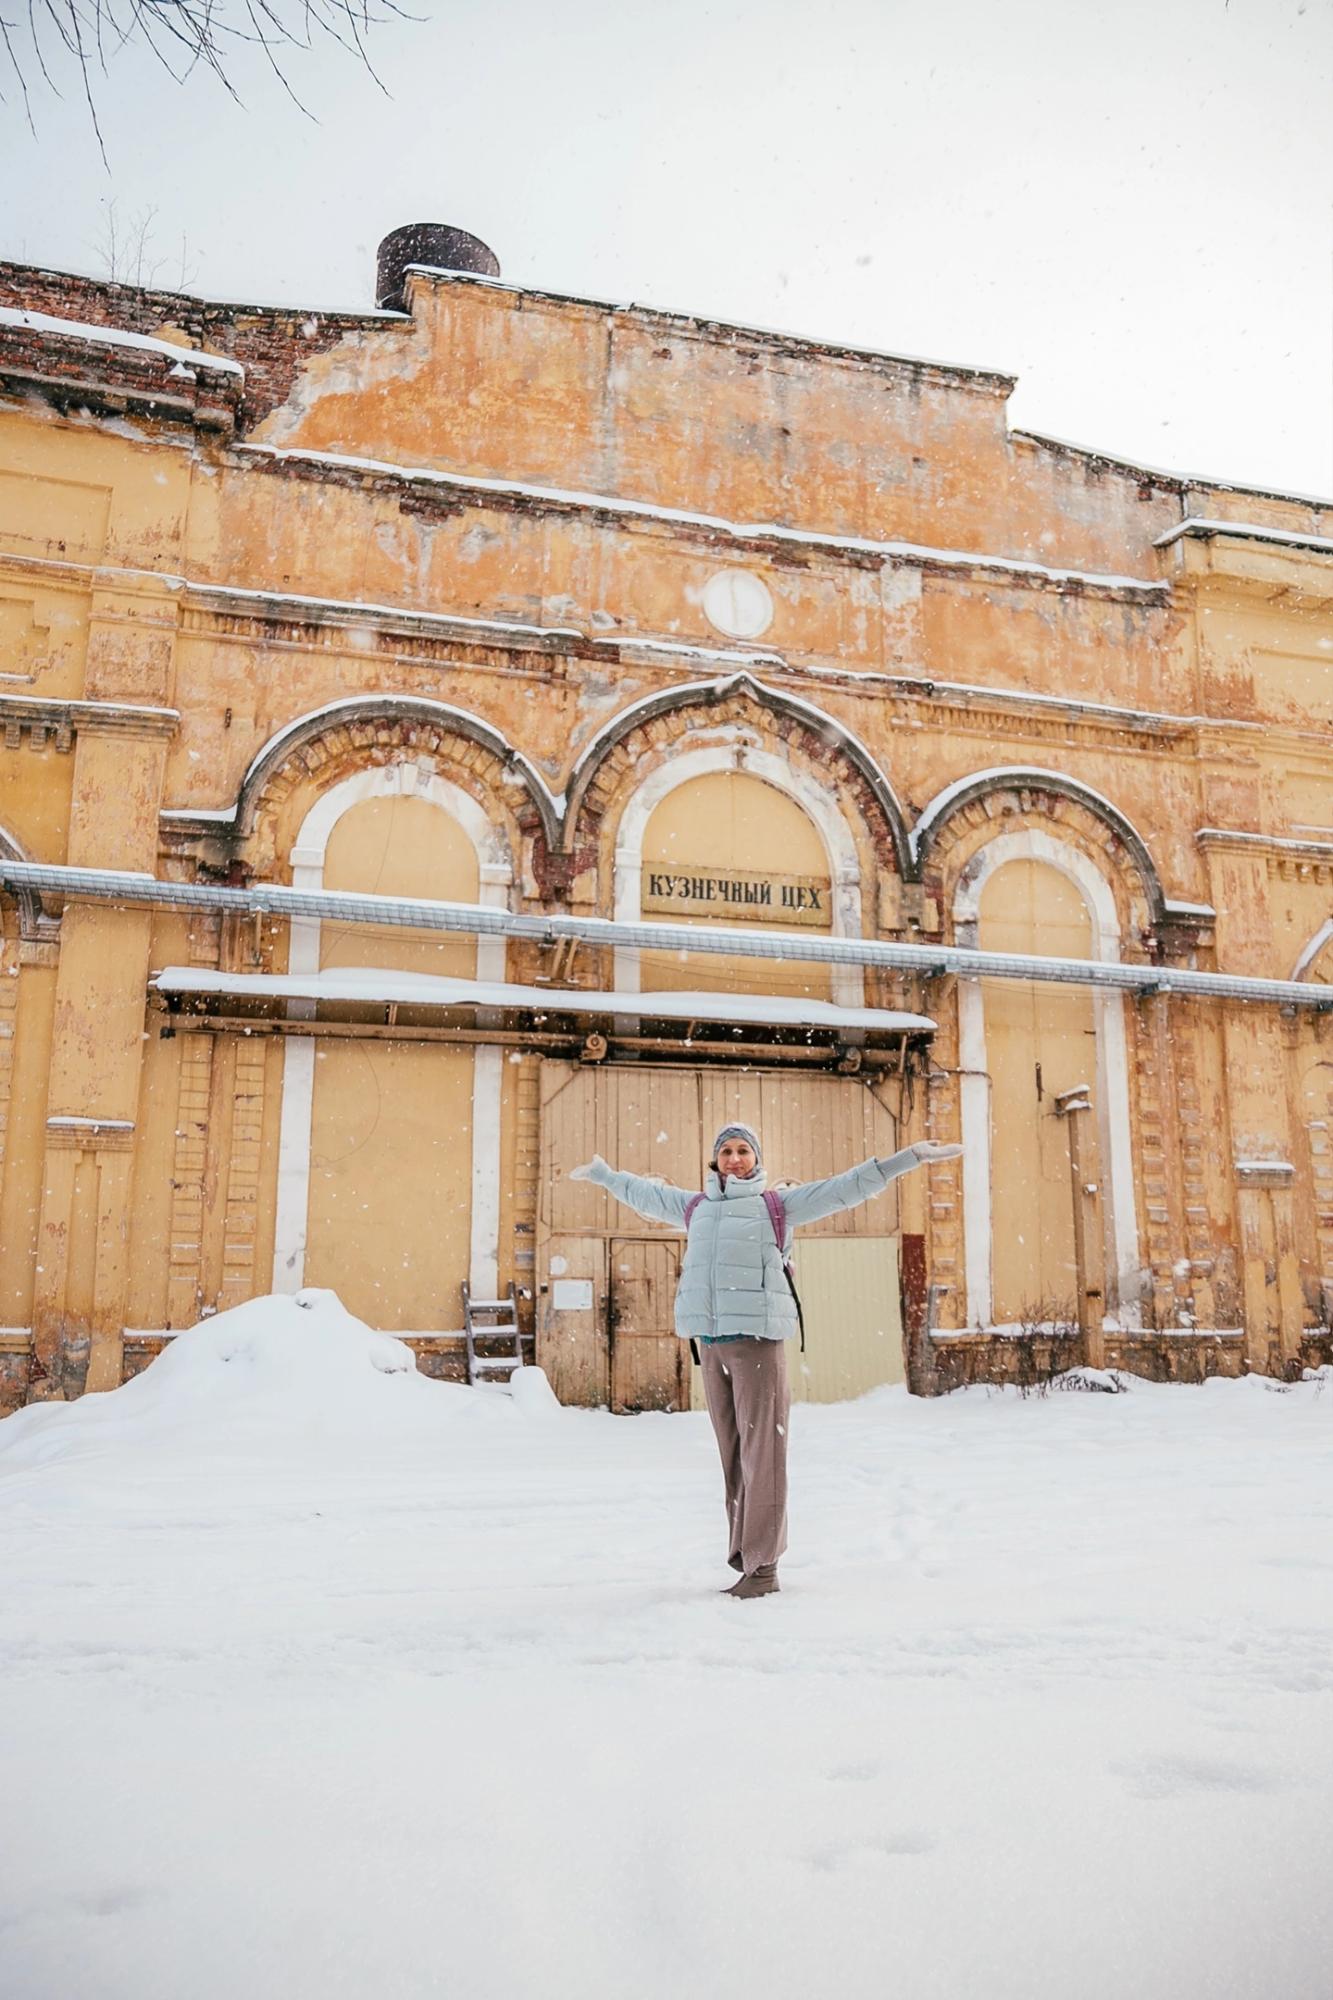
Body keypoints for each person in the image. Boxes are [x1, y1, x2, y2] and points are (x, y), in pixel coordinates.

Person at [568, 1123, 963, 1599]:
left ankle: (764, 1567)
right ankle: (744, 1556)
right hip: (712, 1344)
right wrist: (607, 1176)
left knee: (764, 1456)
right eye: (727, 1151)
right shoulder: (696, 1208)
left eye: (743, 1151)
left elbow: (846, 1188)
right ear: (715, 1161)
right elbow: (648, 1195)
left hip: (757, 1344)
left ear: (756, 1159)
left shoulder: (778, 1206)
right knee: (733, 1456)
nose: (735, 1159)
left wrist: (909, 1158)